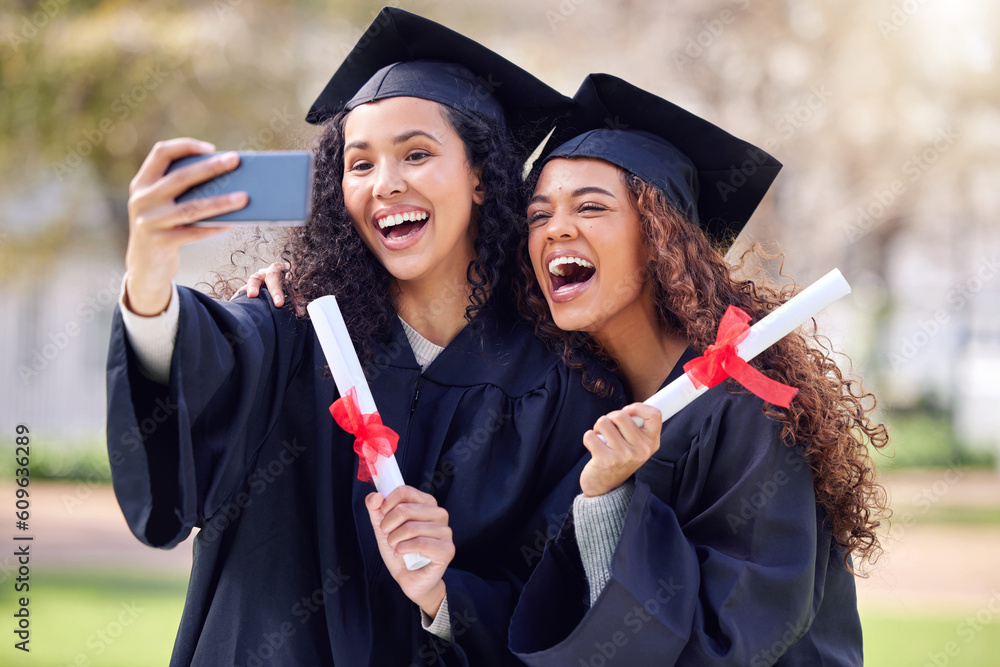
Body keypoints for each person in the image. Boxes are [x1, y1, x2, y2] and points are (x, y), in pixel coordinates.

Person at [107, 9, 622, 666]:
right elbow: (199, 378)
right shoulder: (294, 329)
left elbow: (558, 603)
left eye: (416, 153)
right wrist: (148, 278)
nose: (386, 184)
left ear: (483, 176)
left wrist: (443, 597)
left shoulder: (556, 383)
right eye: (359, 163)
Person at [501, 74, 889, 665]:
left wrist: (609, 498)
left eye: (592, 207)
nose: (556, 227)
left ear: (660, 238)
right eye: (539, 213)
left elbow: (734, 644)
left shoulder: (746, 412)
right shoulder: (581, 396)